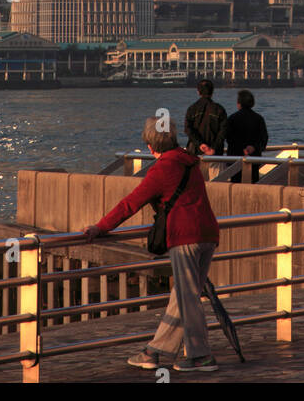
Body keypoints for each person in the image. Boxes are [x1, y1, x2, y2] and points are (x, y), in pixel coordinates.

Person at [83, 116, 220, 373]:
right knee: (184, 295)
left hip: (184, 237)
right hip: (208, 234)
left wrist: (100, 227)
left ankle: (200, 355)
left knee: (186, 297)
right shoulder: (189, 161)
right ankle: (155, 352)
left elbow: (130, 204)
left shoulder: (162, 168)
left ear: (149, 145)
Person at [225, 89, 269, 182]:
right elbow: (264, 138)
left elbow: (229, 138)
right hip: (254, 158)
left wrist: (241, 148)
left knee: (235, 184)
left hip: (235, 157)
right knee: (253, 182)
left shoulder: (232, 118)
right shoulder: (258, 118)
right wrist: (254, 147)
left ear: (239, 103)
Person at [184, 80, 227, 157]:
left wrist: (200, 144)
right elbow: (223, 132)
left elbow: (188, 129)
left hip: (195, 153)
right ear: (212, 92)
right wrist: (214, 148)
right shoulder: (220, 109)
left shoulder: (192, 109)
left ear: (198, 92)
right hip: (215, 155)